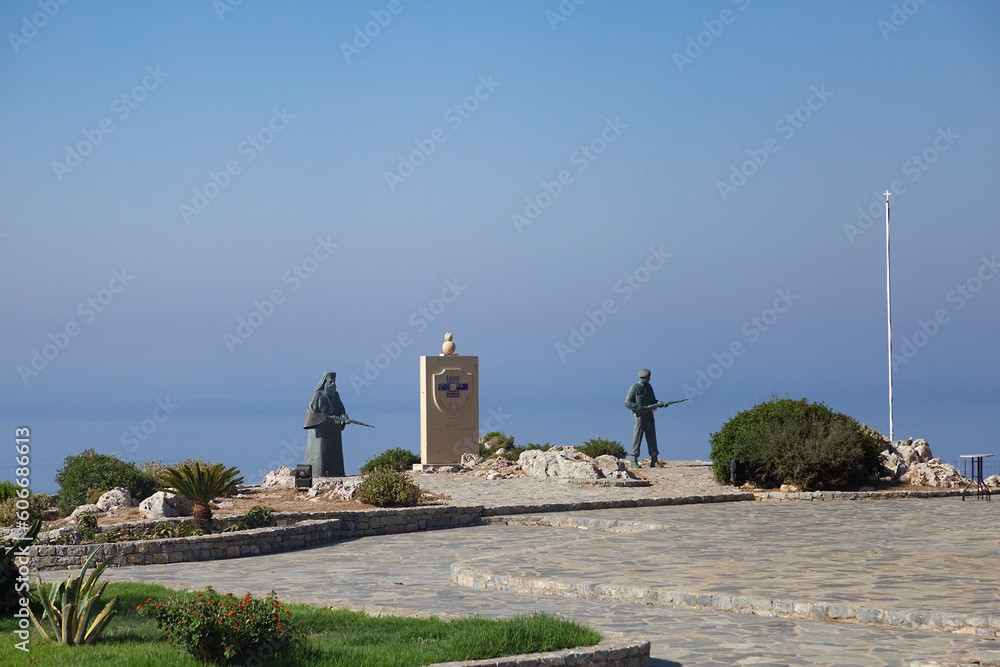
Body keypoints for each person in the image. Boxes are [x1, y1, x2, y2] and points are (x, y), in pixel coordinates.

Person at [303, 372, 348, 477]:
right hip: (321, 431)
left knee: (335, 453)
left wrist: (344, 417)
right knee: (321, 453)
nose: (333, 384)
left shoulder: (336, 395)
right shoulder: (317, 395)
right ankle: (320, 473)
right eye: (330, 382)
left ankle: (336, 473)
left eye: (334, 382)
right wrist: (325, 418)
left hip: (334, 430)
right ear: (325, 383)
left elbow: (341, 410)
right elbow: (311, 412)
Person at [624, 368, 659, 468]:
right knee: (637, 437)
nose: (649, 380)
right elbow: (627, 403)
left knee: (652, 437)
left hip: (649, 416)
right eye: (648, 378)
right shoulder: (634, 388)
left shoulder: (649, 387)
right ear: (643, 378)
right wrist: (639, 407)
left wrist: (659, 403)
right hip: (639, 417)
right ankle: (634, 460)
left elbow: (653, 400)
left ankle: (654, 460)